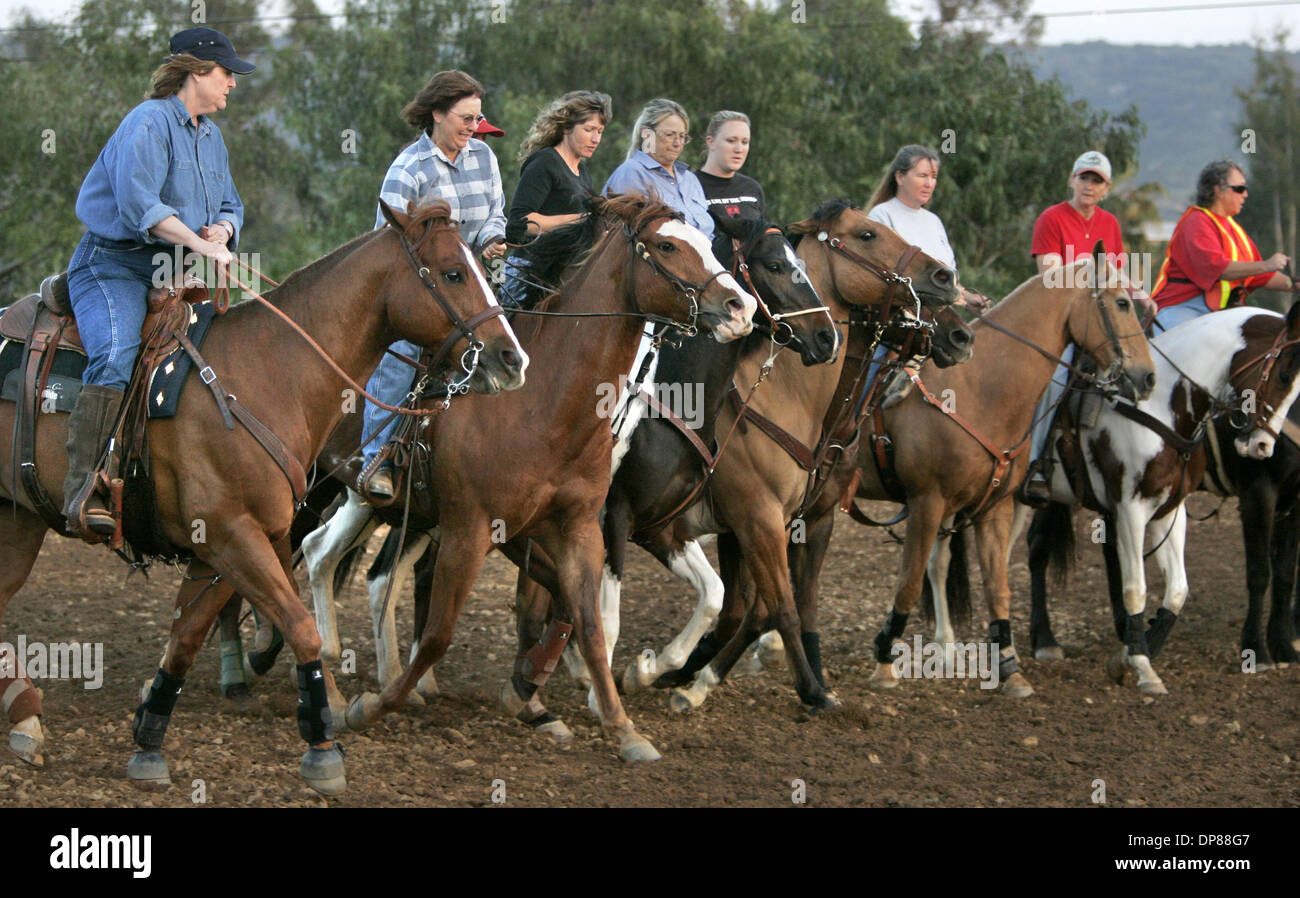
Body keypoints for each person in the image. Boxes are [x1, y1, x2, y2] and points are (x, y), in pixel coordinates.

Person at [62, 26, 252, 537]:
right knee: (117, 352)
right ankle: (87, 485)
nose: (232, 84)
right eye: (226, 74)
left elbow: (232, 203)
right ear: (196, 73)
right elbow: (141, 208)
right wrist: (204, 244)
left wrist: (224, 229)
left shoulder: (211, 137)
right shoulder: (147, 122)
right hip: (113, 265)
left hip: (175, 270)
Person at [360, 70, 507, 502]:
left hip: (474, 285)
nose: (473, 128)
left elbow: (496, 212)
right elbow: (385, 243)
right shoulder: (408, 169)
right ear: (438, 113)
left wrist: (493, 239)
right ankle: (378, 459)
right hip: (422, 291)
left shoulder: (485, 157)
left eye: (478, 119)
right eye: (465, 118)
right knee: (399, 357)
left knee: (512, 344)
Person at [1021, 150, 1155, 505]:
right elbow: (1049, 278)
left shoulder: (1109, 223)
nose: (1089, 185)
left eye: (1097, 181)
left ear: (1106, 188)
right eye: (1084, 178)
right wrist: (1083, 267)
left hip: (1100, 322)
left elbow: (1116, 273)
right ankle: (1035, 463)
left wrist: (1141, 294)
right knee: (1054, 381)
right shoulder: (1052, 219)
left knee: (1140, 360)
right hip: (1059, 323)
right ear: (1072, 180)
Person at [863, 145, 985, 403]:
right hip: (896, 324)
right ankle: (847, 428)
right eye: (922, 176)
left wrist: (966, 298)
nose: (930, 183)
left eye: (934, 177)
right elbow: (881, 277)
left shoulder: (933, 222)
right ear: (899, 177)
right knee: (868, 374)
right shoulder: (882, 215)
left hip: (935, 323)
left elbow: (947, 281)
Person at [498, 90, 612, 308]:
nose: (596, 138)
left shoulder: (583, 171)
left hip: (561, 275)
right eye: (588, 130)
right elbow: (518, 225)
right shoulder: (544, 162)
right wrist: (579, 221)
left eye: (600, 131)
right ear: (567, 127)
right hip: (527, 274)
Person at [1152, 160, 1293, 331]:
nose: (1245, 194)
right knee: (1199, 353)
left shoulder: (1233, 227)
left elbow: (1260, 276)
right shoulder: (1196, 221)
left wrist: (1294, 285)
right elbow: (1218, 269)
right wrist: (1266, 265)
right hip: (1181, 307)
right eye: (1240, 189)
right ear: (1218, 190)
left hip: (1219, 312)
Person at [602, 98, 713, 239]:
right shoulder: (631, 174)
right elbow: (621, 237)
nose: (678, 143)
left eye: (682, 136)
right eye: (670, 135)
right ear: (647, 134)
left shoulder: (690, 179)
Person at [694, 110, 766, 225]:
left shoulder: (752, 188)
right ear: (711, 142)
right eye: (731, 141)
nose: (739, 149)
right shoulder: (690, 187)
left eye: (745, 142)